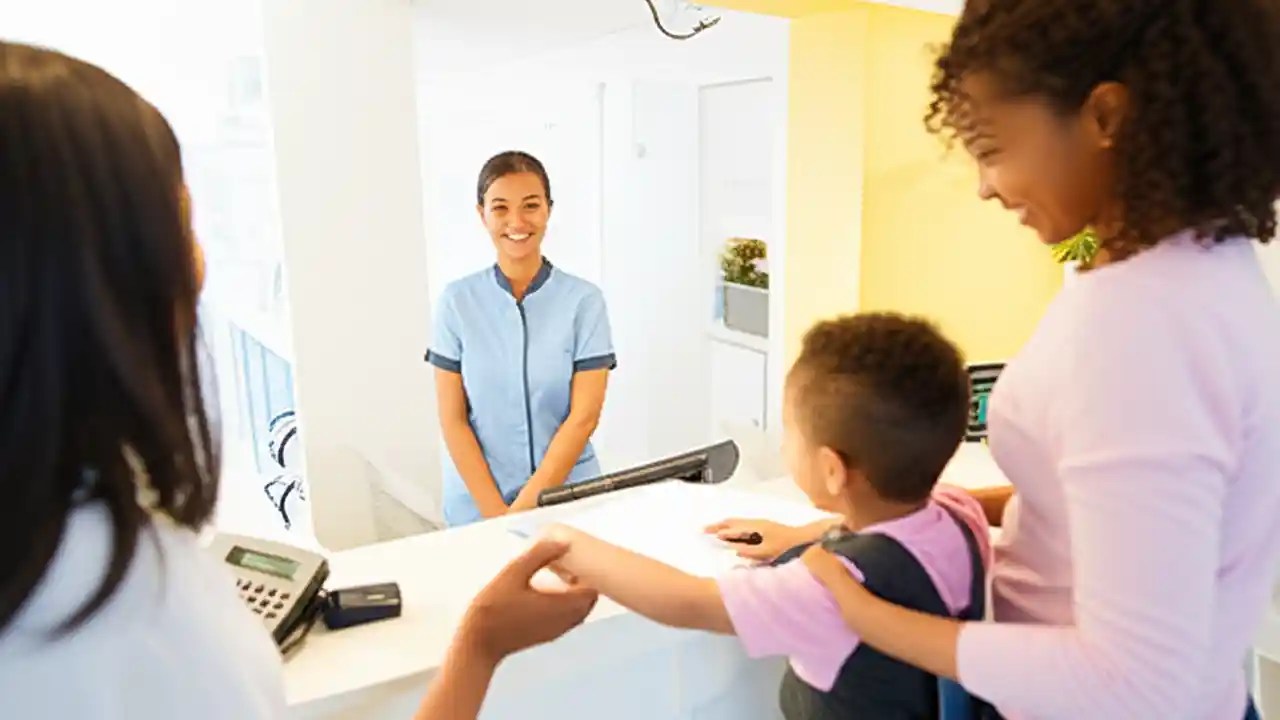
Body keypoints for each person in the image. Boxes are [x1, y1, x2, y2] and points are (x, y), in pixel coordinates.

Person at [0, 41, 595, 719]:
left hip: (565, 506)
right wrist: (482, 638)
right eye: (181, 224)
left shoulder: (99, 554)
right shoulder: (133, 610)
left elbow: (582, 416)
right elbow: (452, 417)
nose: (199, 267)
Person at [796, 2, 1280, 719]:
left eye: (992, 149)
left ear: (1105, 117)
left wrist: (858, 609)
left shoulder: (1140, 327)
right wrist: (882, 517)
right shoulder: (1202, 269)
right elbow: (1104, 508)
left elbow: (1137, 681)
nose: (985, 185)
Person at [541, 313, 991, 718]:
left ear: (832, 469)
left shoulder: (825, 590)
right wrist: (801, 532)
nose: (782, 446)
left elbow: (687, 601)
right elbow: (896, 533)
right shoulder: (961, 514)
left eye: (791, 433)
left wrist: (569, 543)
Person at [426, 151, 616, 526]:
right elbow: (453, 420)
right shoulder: (456, 302)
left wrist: (528, 506)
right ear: (482, 214)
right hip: (478, 505)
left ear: (548, 210)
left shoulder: (584, 302)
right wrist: (497, 517)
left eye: (531, 206)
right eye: (500, 208)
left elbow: (583, 417)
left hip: (569, 496)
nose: (517, 222)